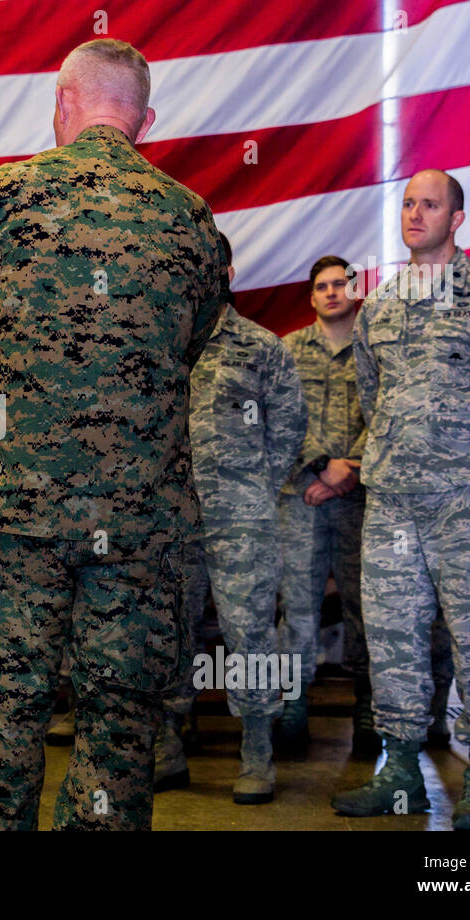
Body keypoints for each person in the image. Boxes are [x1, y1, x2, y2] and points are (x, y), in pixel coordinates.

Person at [0, 38, 228, 830]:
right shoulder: (188, 217)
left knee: (5, 700)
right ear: (146, 118)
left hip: (17, 514)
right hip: (137, 517)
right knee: (119, 715)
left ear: (62, 102)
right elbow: (193, 337)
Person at [333, 169, 470, 831]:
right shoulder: (382, 304)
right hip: (396, 501)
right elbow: (373, 396)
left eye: (430, 204)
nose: (415, 213)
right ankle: (401, 771)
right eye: (407, 203)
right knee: (393, 637)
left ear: (457, 218)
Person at [156, 234, 307, 804]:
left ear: (226, 269)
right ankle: (168, 748)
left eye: (208, 262)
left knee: (248, 635)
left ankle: (257, 752)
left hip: (241, 518)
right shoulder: (162, 343)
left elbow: (289, 426)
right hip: (171, 518)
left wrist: (252, 489)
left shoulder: (260, 346)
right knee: (171, 630)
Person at [274, 255, 374, 757]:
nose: (332, 292)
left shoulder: (375, 348)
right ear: (311, 297)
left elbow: (385, 416)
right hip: (301, 499)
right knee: (297, 609)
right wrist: (319, 468)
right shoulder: (287, 351)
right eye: (322, 286)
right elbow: (279, 420)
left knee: (366, 608)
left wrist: (348, 471)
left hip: (360, 502)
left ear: (354, 292)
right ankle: (292, 710)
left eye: (340, 284)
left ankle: (368, 711)